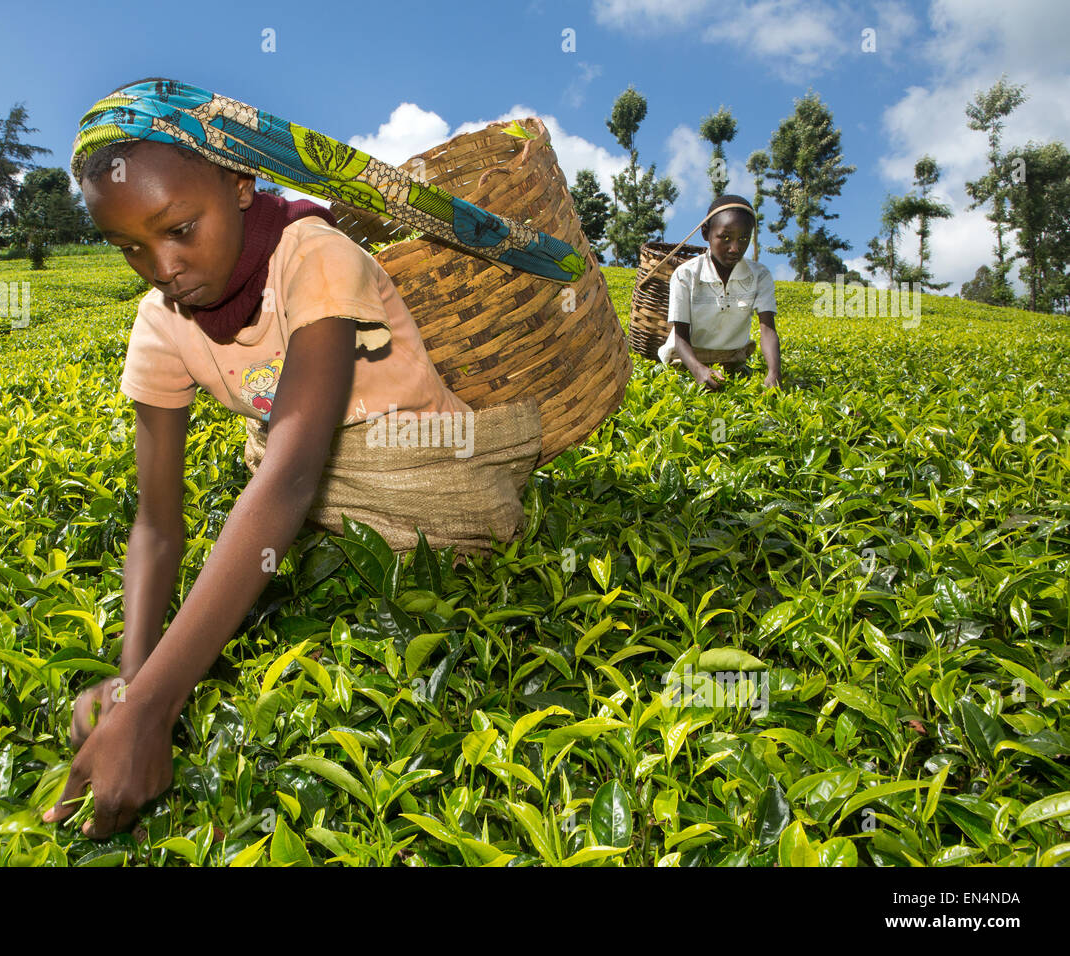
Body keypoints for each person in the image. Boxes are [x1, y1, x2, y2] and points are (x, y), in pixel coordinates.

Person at [42, 78, 583, 839]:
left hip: (428, 483)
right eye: (131, 247)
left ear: (240, 183)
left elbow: (293, 474)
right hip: (311, 509)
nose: (162, 265)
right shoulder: (160, 326)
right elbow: (157, 524)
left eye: (179, 228)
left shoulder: (316, 256)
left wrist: (159, 705)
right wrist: (132, 681)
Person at [656, 195, 781, 390]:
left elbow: (768, 329)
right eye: (725, 237)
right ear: (706, 233)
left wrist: (774, 373)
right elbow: (680, 337)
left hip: (732, 361)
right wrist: (698, 370)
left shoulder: (760, 275)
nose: (735, 248)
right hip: (685, 361)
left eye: (744, 238)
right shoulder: (686, 274)